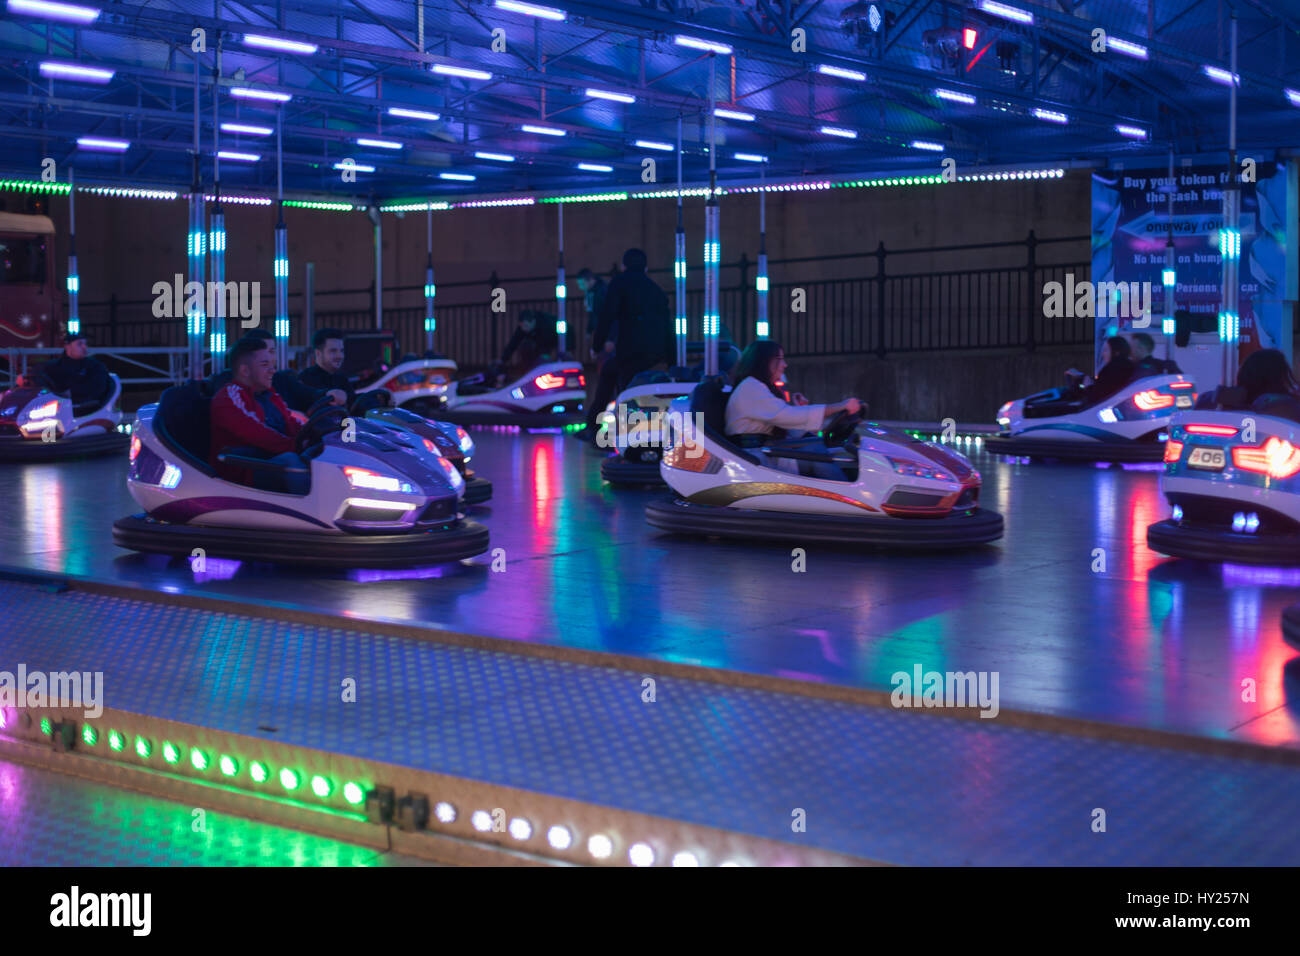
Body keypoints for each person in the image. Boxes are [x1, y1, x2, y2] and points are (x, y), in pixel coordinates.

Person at [726, 340, 862, 478]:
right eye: (779, 359)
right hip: (755, 459)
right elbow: (785, 415)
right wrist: (840, 406)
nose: (785, 365)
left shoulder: (757, 387)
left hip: (767, 453)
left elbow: (786, 423)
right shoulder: (750, 387)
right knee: (815, 451)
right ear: (763, 361)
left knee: (824, 449)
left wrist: (800, 410)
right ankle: (848, 495)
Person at [210, 337, 309, 494]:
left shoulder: (268, 395)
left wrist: (316, 436)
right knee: (294, 464)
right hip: (244, 472)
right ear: (245, 371)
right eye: (265, 365)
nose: (272, 370)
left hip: (268, 461)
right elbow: (258, 433)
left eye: (271, 365)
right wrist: (298, 445)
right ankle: (321, 514)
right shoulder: (229, 397)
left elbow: (291, 423)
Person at [593, 248, 674, 392]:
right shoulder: (656, 290)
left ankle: (598, 413)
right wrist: (672, 360)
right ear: (646, 268)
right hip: (655, 353)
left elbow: (607, 316)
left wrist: (597, 346)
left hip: (629, 351)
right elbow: (668, 327)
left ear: (624, 266)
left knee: (616, 383)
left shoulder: (619, 284)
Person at [37, 331, 110, 410]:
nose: (84, 347)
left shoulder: (95, 366)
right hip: (55, 407)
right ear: (67, 346)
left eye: (85, 344)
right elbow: (41, 384)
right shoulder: (52, 366)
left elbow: (97, 390)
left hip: (84, 408)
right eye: (79, 344)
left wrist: (70, 393)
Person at [1066, 336, 1136, 405]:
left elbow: (1097, 398)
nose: (1103, 354)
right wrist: (1082, 376)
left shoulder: (1113, 370)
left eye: (1106, 350)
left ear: (1116, 352)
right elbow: (1102, 384)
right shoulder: (1125, 367)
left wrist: (1088, 387)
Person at [299, 328, 354, 404]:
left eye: (342, 351)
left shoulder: (342, 379)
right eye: (333, 351)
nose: (340, 356)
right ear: (318, 353)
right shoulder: (305, 379)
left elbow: (354, 402)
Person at [500, 310, 559, 379]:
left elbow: (547, 344)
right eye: (521, 326)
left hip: (556, 338)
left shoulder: (545, 326)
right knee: (527, 345)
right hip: (540, 344)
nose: (524, 328)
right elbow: (513, 343)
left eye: (525, 325)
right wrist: (503, 360)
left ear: (533, 322)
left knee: (543, 355)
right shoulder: (523, 328)